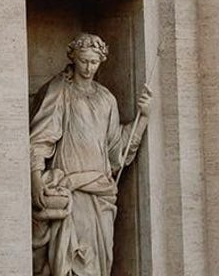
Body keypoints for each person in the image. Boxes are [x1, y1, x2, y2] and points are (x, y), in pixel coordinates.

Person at [30, 33, 151, 276]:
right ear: (73, 57)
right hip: (71, 189)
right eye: (84, 61)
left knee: (99, 261)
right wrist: (35, 178)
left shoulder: (106, 98)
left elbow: (116, 150)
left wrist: (143, 117)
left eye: (94, 62)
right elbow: (40, 138)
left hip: (100, 190)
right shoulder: (59, 89)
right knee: (72, 259)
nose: (88, 68)